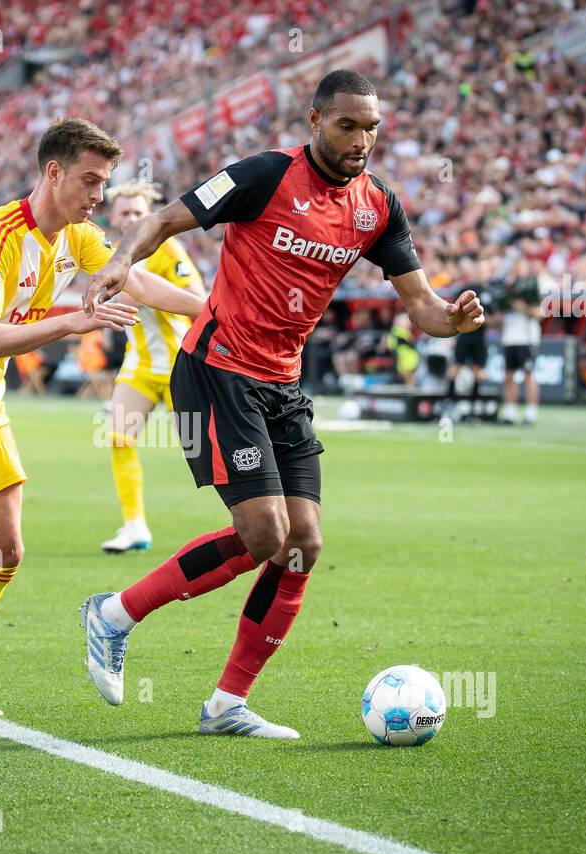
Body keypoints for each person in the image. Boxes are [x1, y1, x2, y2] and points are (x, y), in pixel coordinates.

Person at [77, 70, 483, 738]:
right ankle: (114, 614)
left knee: (304, 545)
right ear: (315, 120)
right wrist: (122, 258)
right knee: (265, 534)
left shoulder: (377, 207)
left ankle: (226, 705)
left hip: (283, 385)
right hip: (216, 370)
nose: (362, 140)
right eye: (348, 125)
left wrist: (455, 318)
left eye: (372, 127)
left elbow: (423, 307)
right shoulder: (263, 175)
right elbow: (161, 218)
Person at [0, 119, 205, 722]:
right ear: (54, 173)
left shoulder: (76, 235)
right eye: (90, 180)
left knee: (7, 547)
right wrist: (70, 321)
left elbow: (139, 280)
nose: (98, 195)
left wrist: (214, 308)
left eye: (104, 182)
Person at [99, 179, 205, 554]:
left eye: (138, 213)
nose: (130, 218)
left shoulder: (169, 249)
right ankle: (134, 526)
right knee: (118, 437)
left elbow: (199, 300)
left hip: (181, 365)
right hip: (140, 365)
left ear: (150, 215)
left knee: (205, 448)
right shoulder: (107, 253)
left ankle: (252, 520)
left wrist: (143, 291)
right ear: (112, 216)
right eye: (124, 212)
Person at [443, 286, 487, 421]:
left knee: (478, 372)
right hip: (463, 337)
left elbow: (495, 317)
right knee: (455, 367)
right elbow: (452, 313)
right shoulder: (462, 290)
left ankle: (473, 409)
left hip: (479, 338)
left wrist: (480, 318)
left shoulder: (487, 292)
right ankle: (448, 402)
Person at [501, 284, 541, 424]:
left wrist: (522, 307)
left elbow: (540, 313)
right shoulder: (504, 291)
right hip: (509, 339)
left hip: (526, 339)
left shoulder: (531, 290)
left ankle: (531, 413)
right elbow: (499, 319)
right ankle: (509, 412)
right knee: (509, 375)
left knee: (528, 375)